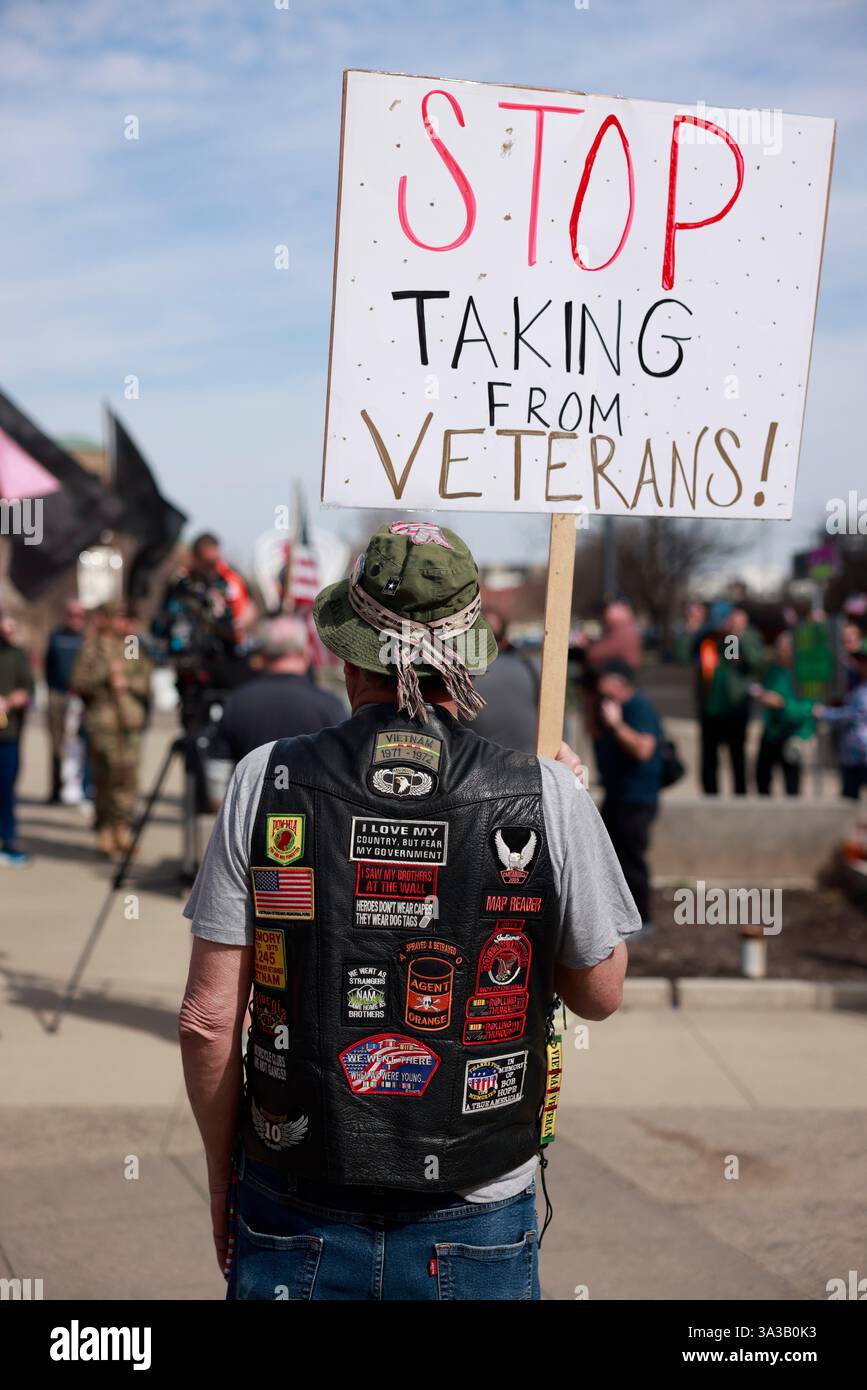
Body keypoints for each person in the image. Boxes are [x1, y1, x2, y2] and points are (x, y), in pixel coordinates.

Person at [179, 521, 639, 1302]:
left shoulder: (267, 780)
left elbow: (206, 1020)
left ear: (348, 653)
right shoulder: (544, 793)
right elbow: (598, 993)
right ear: (464, 659)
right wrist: (562, 812)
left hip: (295, 1190)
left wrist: (224, 1168)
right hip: (478, 1203)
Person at [72, 601, 153, 857]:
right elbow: (79, 682)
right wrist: (104, 675)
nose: (123, 623)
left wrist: (125, 681)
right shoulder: (93, 647)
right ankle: (105, 829)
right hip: (103, 723)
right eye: (118, 617)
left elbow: (145, 680)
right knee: (104, 776)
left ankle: (123, 828)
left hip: (128, 723)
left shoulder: (131, 646)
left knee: (127, 777)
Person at [210, 615, 346, 763]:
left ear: (263, 655)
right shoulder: (329, 706)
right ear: (305, 653)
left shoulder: (237, 702)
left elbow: (218, 771)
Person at [593, 660, 662, 932]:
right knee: (612, 859)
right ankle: (619, 917)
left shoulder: (639, 708)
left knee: (632, 859)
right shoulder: (613, 707)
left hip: (637, 797)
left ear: (619, 683)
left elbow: (644, 749)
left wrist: (617, 724)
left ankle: (642, 919)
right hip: (617, 794)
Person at [695, 602, 765, 795]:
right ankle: (710, 795)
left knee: (737, 756)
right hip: (710, 708)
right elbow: (687, 652)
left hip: (733, 708)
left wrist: (735, 635)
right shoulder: (707, 639)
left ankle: (739, 795)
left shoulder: (736, 638)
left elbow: (738, 663)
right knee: (709, 758)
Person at [468, 613, 539, 754]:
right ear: (506, 640)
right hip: (531, 765)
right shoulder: (530, 668)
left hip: (481, 767)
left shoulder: (461, 679)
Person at [754, 631, 814, 797]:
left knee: (791, 783)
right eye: (778, 648)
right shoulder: (773, 670)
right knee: (761, 777)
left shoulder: (803, 673)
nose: (779, 652)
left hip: (792, 734)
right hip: (771, 732)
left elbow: (809, 707)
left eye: (783, 649)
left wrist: (782, 704)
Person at [0, 614, 35, 867]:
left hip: (9, 734)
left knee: (6, 789)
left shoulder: (17, 655)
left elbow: (29, 689)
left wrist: (14, 699)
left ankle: (9, 841)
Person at [44, 599, 87, 804]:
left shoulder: (87, 638)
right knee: (57, 744)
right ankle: (56, 788)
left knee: (80, 744)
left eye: (79, 615)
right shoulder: (56, 636)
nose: (75, 620)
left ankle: (82, 787)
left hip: (81, 696)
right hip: (58, 694)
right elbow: (48, 665)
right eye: (72, 615)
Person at [815, 639, 867, 800]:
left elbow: (854, 714)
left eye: (863, 661)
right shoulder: (858, 685)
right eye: (859, 660)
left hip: (863, 754)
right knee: (849, 801)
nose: (860, 664)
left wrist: (825, 713)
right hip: (852, 755)